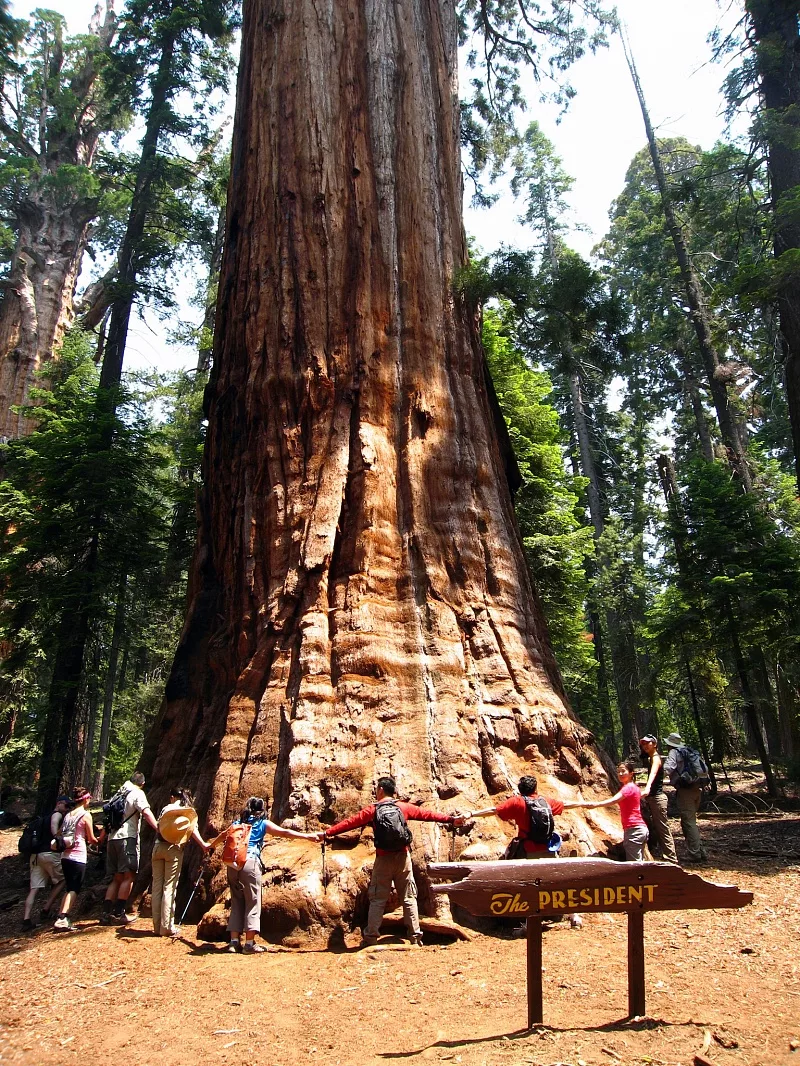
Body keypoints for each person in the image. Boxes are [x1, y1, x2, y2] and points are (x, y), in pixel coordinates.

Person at [317, 776, 465, 947]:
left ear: (380, 789)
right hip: (403, 858)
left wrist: (327, 833)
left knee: (378, 898)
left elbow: (351, 823)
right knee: (409, 897)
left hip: (383, 859)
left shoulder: (372, 810)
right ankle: (415, 937)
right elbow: (427, 815)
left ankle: (371, 937)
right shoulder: (403, 807)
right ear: (393, 791)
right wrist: (451, 820)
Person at [466, 774, 582, 929]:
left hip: (530, 851)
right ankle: (573, 915)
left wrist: (471, 814)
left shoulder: (517, 802)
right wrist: (592, 804)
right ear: (535, 788)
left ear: (520, 790)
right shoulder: (545, 801)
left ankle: (529, 923)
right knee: (557, 882)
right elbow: (566, 804)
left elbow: (495, 810)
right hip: (549, 849)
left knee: (531, 886)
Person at [210, 795, 316, 954]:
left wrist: (209, 845)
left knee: (237, 900)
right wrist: (307, 836)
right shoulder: (262, 823)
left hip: (232, 864)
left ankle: (233, 942)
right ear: (262, 810)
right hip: (250, 863)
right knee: (253, 901)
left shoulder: (237, 823)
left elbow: (224, 835)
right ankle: (249, 944)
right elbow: (284, 832)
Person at [100, 771, 159, 925]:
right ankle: (119, 913)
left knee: (117, 877)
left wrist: (101, 838)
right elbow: (146, 812)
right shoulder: (137, 793)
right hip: (127, 837)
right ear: (143, 783)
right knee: (129, 876)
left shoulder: (120, 792)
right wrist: (159, 829)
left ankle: (106, 913)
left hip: (112, 839)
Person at [151, 787, 211, 937]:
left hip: (157, 847)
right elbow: (192, 830)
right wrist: (203, 845)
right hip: (174, 849)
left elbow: (159, 827)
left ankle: (157, 926)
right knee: (169, 887)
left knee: (157, 886)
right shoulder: (187, 812)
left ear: (172, 797)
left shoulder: (166, 808)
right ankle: (167, 927)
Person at [569, 762, 649, 861]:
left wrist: (595, 805)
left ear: (631, 773)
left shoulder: (628, 788)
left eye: (623, 771)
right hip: (640, 829)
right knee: (640, 862)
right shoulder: (635, 788)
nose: (620, 774)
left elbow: (613, 800)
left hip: (634, 830)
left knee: (634, 865)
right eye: (618, 772)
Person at [54, 787, 100, 931]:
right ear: (85, 799)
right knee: (74, 888)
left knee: (69, 887)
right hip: (78, 856)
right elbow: (92, 839)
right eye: (89, 798)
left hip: (65, 856)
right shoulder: (85, 815)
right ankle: (63, 917)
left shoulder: (68, 815)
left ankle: (60, 917)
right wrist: (102, 837)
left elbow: (59, 832)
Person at [21, 796, 69, 932]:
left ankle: (26, 919)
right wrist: (59, 839)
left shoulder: (42, 819)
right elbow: (54, 830)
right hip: (49, 854)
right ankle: (46, 909)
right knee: (62, 880)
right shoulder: (57, 815)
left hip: (35, 856)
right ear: (59, 804)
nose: (66, 809)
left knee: (34, 888)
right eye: (66, 806)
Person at [663, 732, 708, 864]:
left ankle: (695, 854)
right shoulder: (688, 751)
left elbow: (668, 768)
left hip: (685, 790)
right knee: (690, 821)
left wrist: (656, 775)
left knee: (689, 822)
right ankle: (700, 851)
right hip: (697, 788)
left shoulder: (674, 753)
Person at [639, 734, 678, 865]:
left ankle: (671, 858)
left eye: (647, 743)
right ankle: (659, 852)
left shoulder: (656, 758)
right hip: (652, 799)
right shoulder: (650, 758)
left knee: (662, 828)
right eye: (643, 744)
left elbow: (654, 773)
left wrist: (647, 788)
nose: (645, 746)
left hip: (657, 798)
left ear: (654, 744)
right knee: (655, 826)